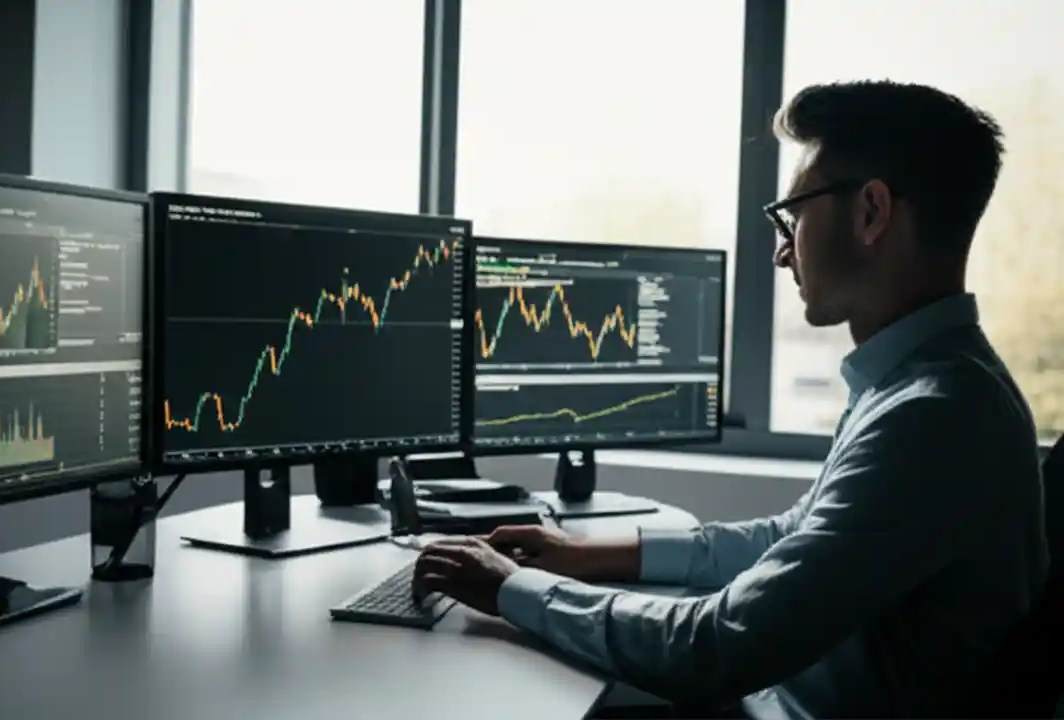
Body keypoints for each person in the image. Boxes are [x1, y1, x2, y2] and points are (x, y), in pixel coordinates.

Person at [412, 80, 1050, 718]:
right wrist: (587, 555)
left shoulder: (933, 417)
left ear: (871, 212)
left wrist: (514, 588)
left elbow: (716, 647)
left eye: (793, 215)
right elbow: (788, 537)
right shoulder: (921, 385)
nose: (781, 250)